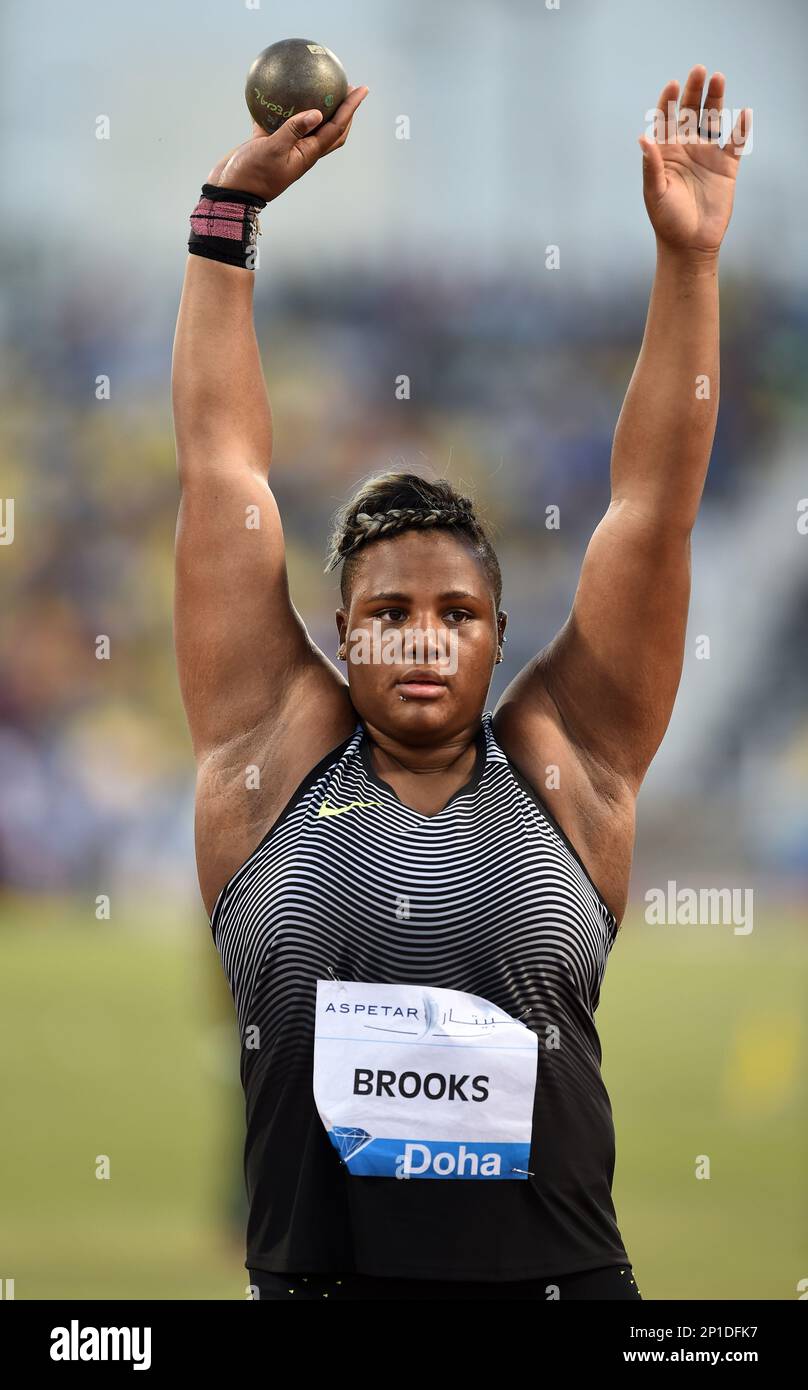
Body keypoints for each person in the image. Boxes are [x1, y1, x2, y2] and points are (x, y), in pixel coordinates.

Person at [171, 67, 749, 1300]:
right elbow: (222, 471)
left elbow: (652, 511)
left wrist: (687, 265)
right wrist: (227, 208)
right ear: (339, 634)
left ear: (499, 635)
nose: (423, 641)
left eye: (455, 615)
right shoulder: (267, 755)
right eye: (388, 614)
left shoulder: (567, 762)